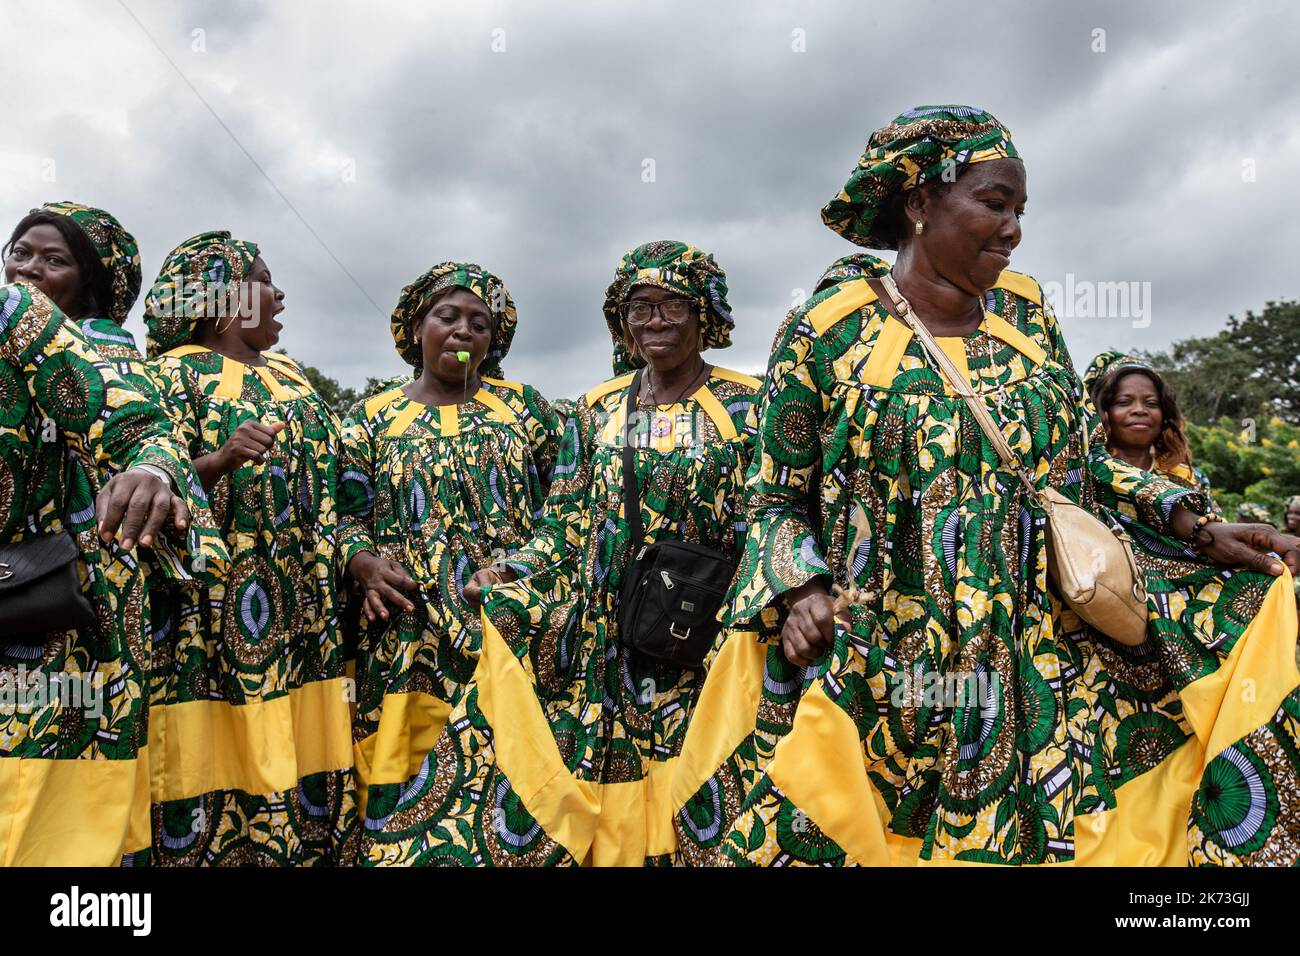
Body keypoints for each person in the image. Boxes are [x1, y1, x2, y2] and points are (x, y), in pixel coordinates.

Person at [674, 105, 1300, 867]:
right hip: (887, 661)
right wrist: (800, 588)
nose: (1012, 229)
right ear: (918, 203)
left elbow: (1076, 463)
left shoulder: (1028, 313)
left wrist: (1193, 524)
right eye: (994, 204)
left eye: (1020, 211)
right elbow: (772, 495)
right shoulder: (828, 328)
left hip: (1033, 642)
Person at [384, 240, 761, 866]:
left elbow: (771, 508)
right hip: (611, 629)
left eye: (674, 305)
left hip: (706, 628)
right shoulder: (597, 408)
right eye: (641, 307)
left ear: (705, 315)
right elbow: (564, 518)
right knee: (616, 764)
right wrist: (512, 571)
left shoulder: (749, 403)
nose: (657, 321)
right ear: (622, 320)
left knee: (704, 769)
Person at [143, 231, 355, 865]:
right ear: (226, 298)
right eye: (265, 279)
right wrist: (219, 460)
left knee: (306, 750)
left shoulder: (294, 376)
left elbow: (342, 485)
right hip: (212, 611)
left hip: (304, 610)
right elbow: (149, 484)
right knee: (215, 756)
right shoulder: (171, 373)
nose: (280, 291)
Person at [339, 262, 561, 864]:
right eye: (448, 316)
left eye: (480, 324)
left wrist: (518, 572)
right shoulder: (368, 419)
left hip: (509, 629)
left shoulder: (531, 413)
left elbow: (566, 511)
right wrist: (361, 563)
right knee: (403, 786)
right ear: (417, 328)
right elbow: (345, 516)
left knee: (512, 790)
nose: (463, 331)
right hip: (407, 638)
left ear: (496, 341)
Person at [0, 281, 224, 865]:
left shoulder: (15, 317)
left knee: (50, 843)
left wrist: (151, 469)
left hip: (28, 640)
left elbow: (136, 424)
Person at [1084, 350, 1221, 514]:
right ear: (1101, 412)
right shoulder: (1084, 477)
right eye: (1124, 402)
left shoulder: (1191, 478)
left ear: (1165, 414)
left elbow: (1215, 532)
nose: (1140, 410)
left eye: (1151, 403)